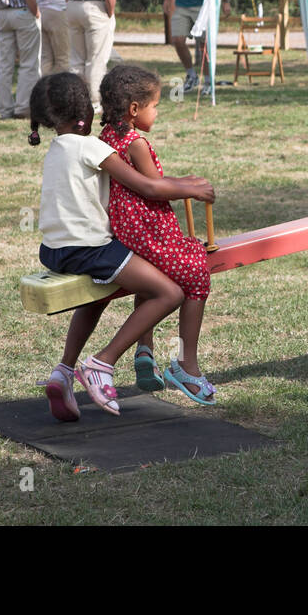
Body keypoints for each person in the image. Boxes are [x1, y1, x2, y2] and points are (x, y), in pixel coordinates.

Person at [28, 72, 214, 419]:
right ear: (84, 109)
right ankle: (102, 363)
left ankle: (63, 373)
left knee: (100, 294)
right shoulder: (95, 147)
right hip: (89, 249)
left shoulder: (57, 148)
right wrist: (190, 188)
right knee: (169, 293)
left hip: (53, 249)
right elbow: (149, 188)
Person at [98, 64, 216, 403]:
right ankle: (185, 365)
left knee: (160, 273)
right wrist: (192, 188)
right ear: (134, 109)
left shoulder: (108, 137)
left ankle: (145, 349)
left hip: (128, 231)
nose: (158, 111)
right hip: (147, 230)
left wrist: (185, 183)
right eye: (155, 105)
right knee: (196, 275)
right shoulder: (136, 143)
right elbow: (154, 188)